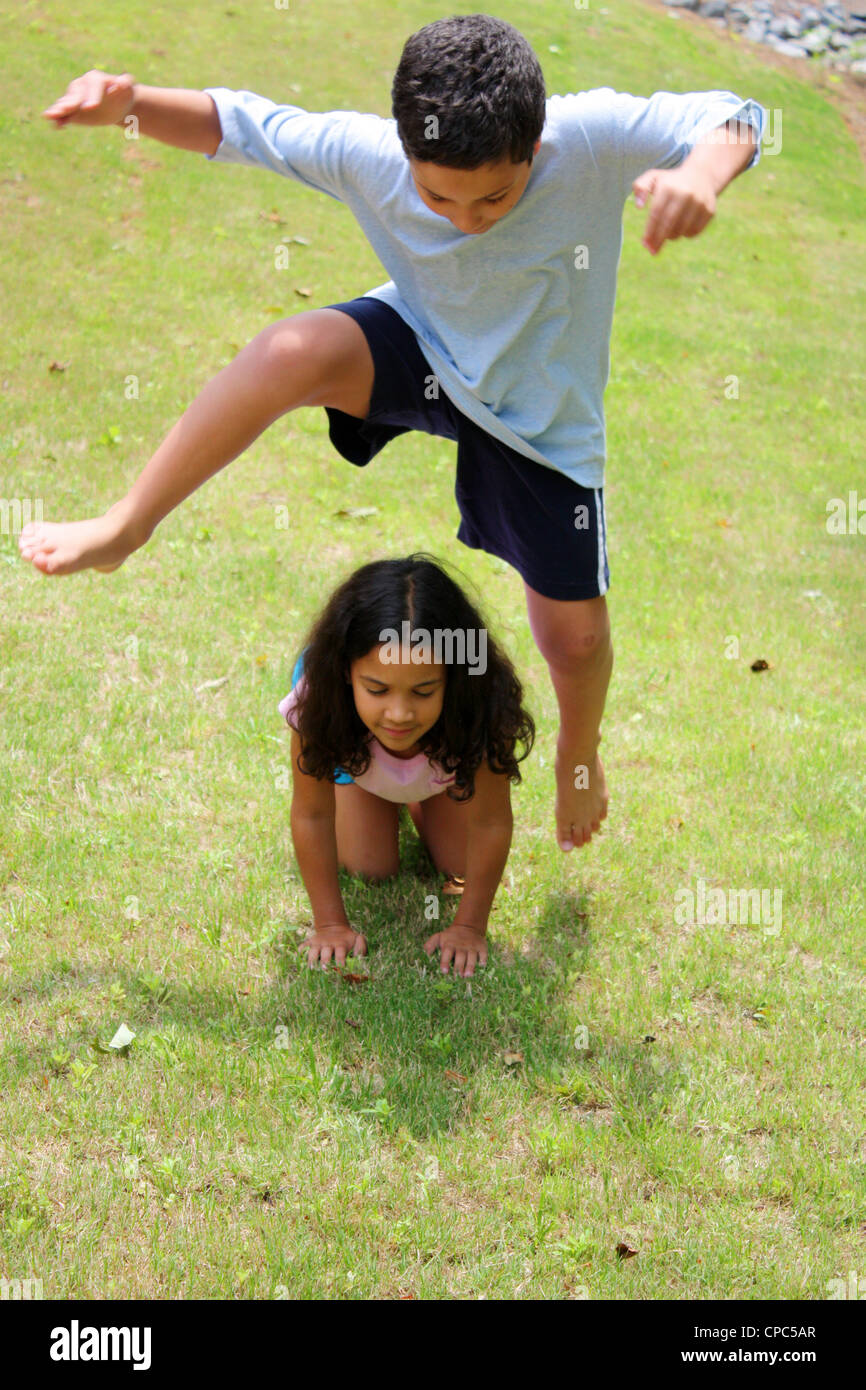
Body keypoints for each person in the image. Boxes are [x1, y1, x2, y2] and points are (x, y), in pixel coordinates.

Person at [18, 13, 767, 853]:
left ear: (535, 144)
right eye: (437, 195)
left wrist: (703, 173)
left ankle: (580, 757)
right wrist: (132, 104)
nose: (467, 218)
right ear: (407, 150)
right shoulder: (369, 155)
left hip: (539, 418)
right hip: (422, 348)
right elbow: (241, 123)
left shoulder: (589, 135)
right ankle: (125, 527)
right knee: (292, 349)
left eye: (495, 195)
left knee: (576, 637)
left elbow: (739, 114)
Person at [281, 554, 534, 977]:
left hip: (438, 769)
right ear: (346, 671)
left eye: (423, 690)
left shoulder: (484, 706)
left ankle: (423, 796)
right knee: (370, 867)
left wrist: (470, 927)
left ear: (454, 676)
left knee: (461, 869)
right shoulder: (320, 700)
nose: (398, 714)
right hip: (361, 769)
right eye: (377, 689)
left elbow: (491, 822)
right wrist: (329, 925)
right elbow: (312, 812)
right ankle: (380, 795)